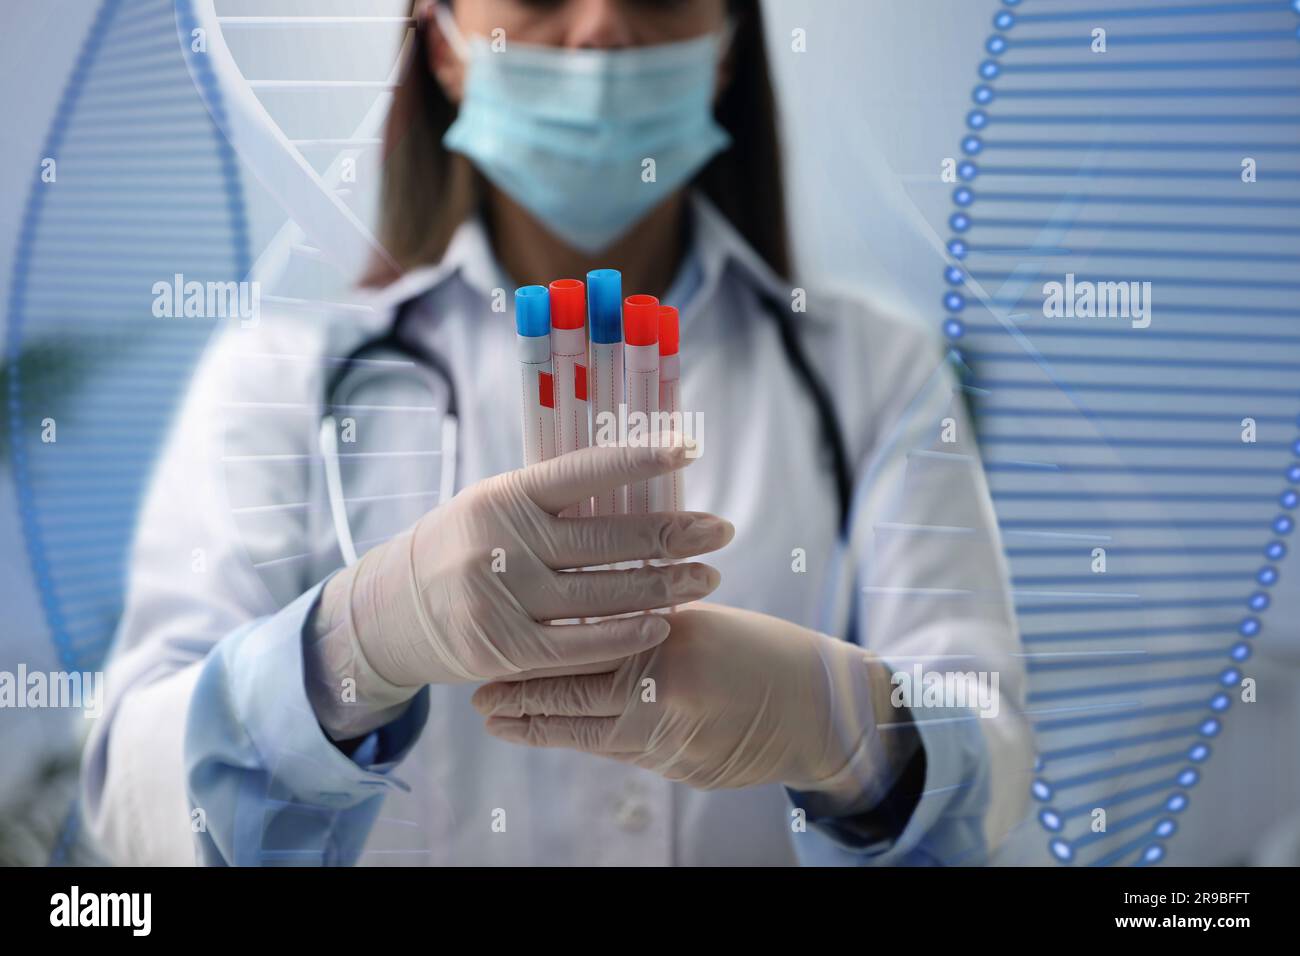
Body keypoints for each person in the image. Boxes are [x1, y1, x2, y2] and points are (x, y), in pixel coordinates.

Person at [81, 0, 1030, 866]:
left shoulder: (875, 373)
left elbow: (990, 766)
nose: (602, 30)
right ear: (442, 44)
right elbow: (133, 801)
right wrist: (350, 648)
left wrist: (846, 733)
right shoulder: (283, 380)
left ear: (729, 43)